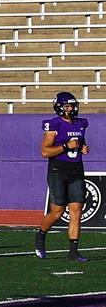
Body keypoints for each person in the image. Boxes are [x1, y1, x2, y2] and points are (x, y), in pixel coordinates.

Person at [36, 91, 90, 261]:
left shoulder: (81, 123)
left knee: (76, 211)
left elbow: (80, 142)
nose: (71, 108)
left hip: (76, 170)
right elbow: (45, 151)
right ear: (59, 107)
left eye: (73, 105)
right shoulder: (54, 125)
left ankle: (73, 251)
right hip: (58, 171)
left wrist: (82, 148)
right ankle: (41, 235)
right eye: (67, 106)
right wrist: (66, 146)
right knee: (57, 212)